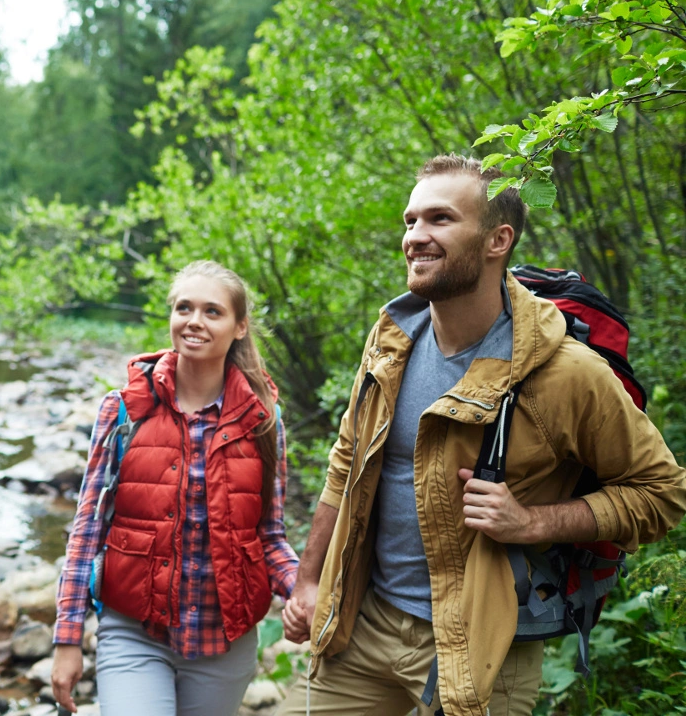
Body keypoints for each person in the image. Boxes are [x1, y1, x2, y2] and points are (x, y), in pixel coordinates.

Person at [277, 155, 686, 716]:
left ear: (498, 239)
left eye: (439, 219)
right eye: (410, 221)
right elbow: (349, 461)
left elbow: (661, 491)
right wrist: (307, 582)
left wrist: (533, 522)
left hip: (480, 652)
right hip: (364, 629)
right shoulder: (393, 336)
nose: (415, 237)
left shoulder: (564, 372)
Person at [51, 260, 300, 716]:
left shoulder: (265, 418)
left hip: (225, 639)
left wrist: (301, 591)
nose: (194, 321)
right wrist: (67, 638)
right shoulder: (125, 410)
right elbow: (87, 531)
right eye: (184, 307)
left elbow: (270, 536)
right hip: (135, 630)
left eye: (212, 311)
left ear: (240, 326)